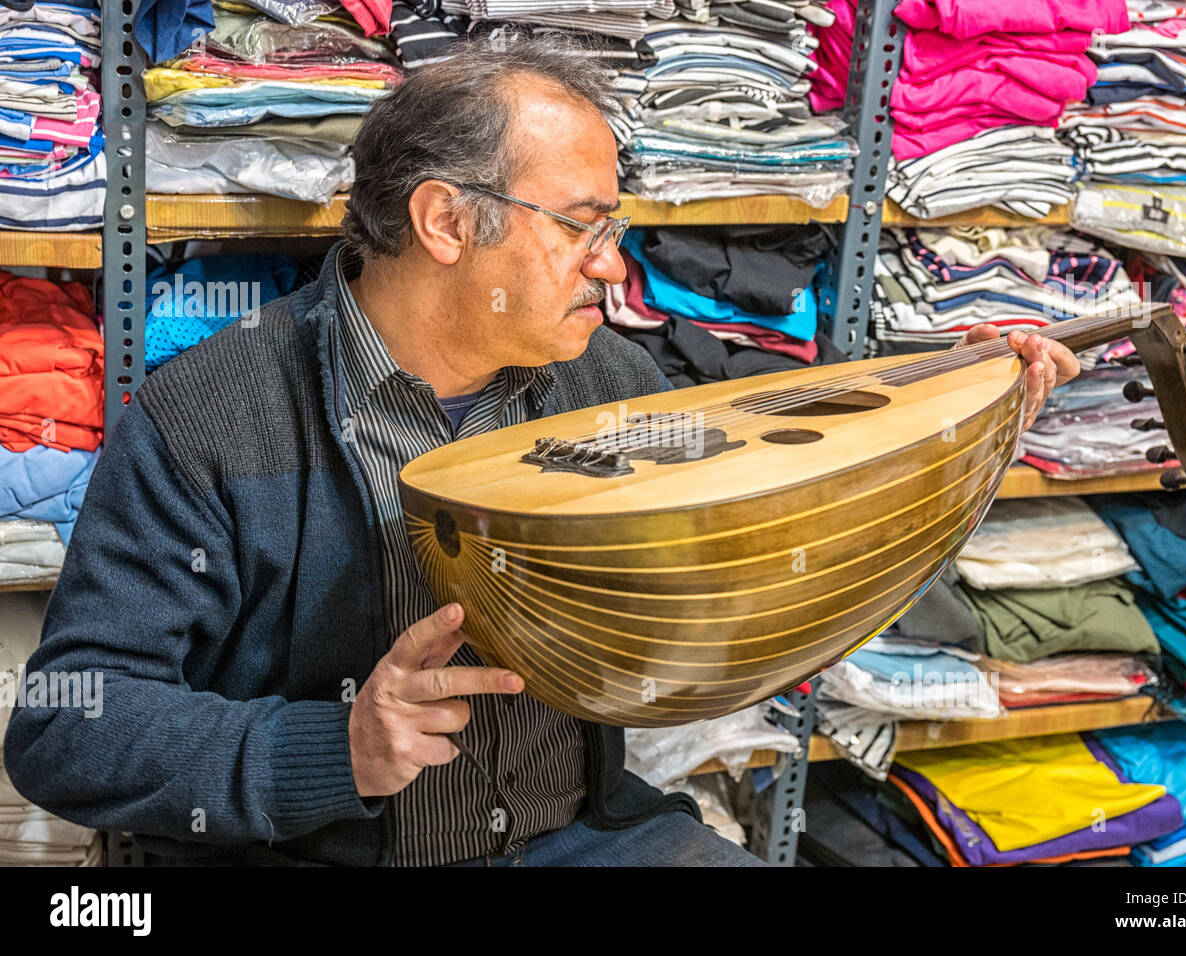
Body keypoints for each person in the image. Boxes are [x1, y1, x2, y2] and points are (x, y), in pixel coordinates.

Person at [3, 34, 1078, 867]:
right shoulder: (210, 415)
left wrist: (968, 409)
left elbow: (741, 527)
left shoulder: (606, 384)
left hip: (584, 836)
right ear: (443, 220)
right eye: (581, 223)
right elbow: (70, 725)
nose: (616, 268)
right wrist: (337, 749)